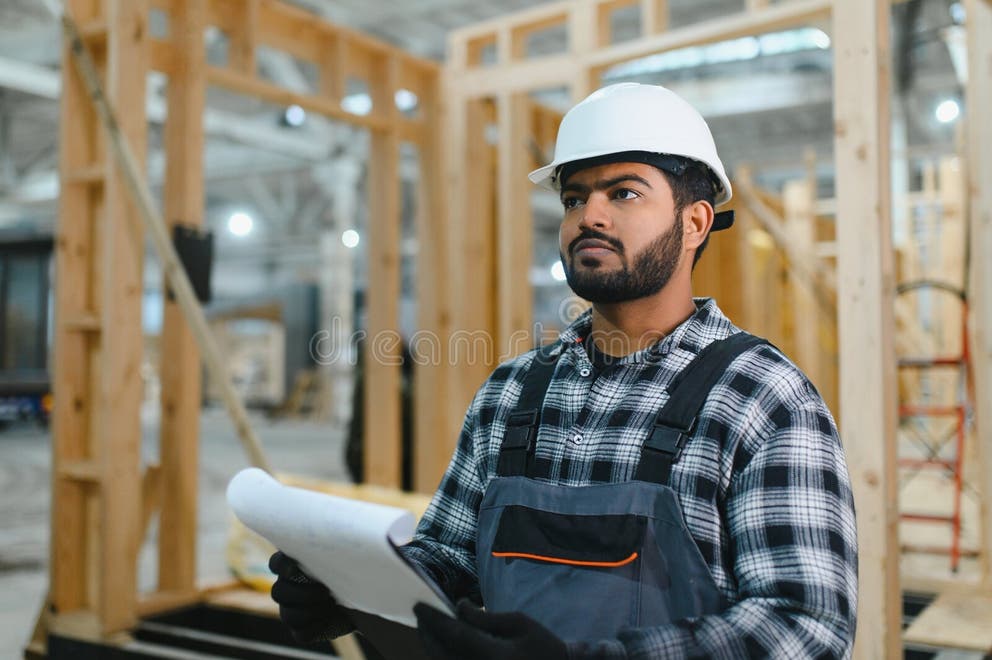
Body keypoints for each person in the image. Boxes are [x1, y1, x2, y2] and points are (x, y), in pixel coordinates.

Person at [269, 82, 858, 659]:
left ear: (695, 223)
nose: (588, 217)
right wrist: (352, 591)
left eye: (623, 193)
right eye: (575, 198)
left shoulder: (760, 397)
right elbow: (450, 554)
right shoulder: (509, 392)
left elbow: (806, 625)